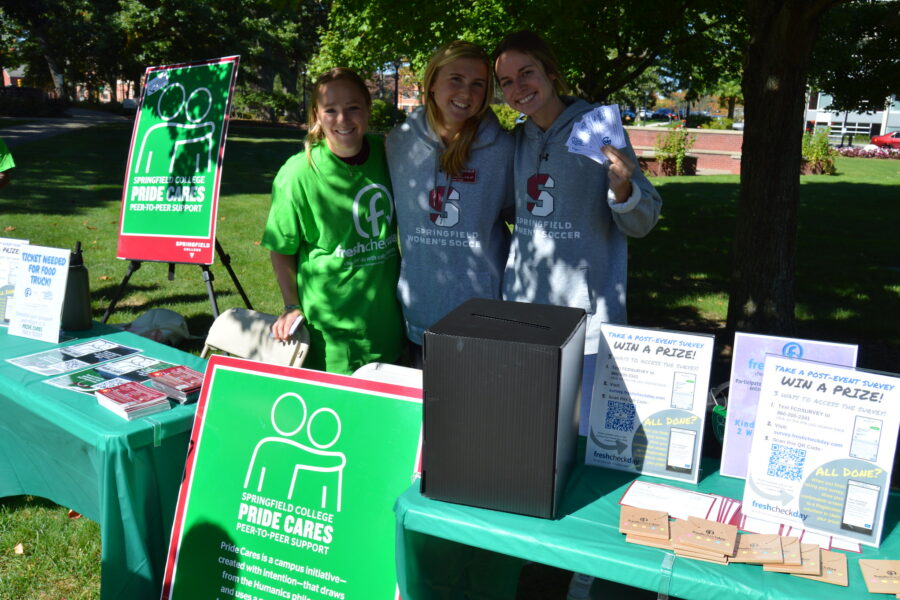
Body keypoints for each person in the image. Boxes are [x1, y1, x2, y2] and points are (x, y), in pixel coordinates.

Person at [493, 31, 662, 431]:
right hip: (523, 319)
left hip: (585, 324)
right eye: (506, 82)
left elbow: (644, 220)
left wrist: (623, 189)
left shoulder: (596, 130)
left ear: (551, 72)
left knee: (582, 439)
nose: (519, 88)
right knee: (528, 433)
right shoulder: (516, 140)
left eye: (527, 72)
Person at [262, 67, 404, 375]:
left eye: (353, 107)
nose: (343, 119)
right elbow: (281, 248)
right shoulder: (297, 174)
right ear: (317, 114)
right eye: (331, 110)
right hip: (333, 338)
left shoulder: (390, 154)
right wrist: (291, 306)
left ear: (368, 109)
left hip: (390, 328)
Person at [386, 40, 514, 366]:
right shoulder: (398, 142)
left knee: (480, 413)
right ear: (431, 84)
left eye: (477, 84)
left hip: (482, 313)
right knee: (424, 413)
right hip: (420, 309)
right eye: (455, 79)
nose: (466, 92)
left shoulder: (504, 150)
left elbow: (523, 219)